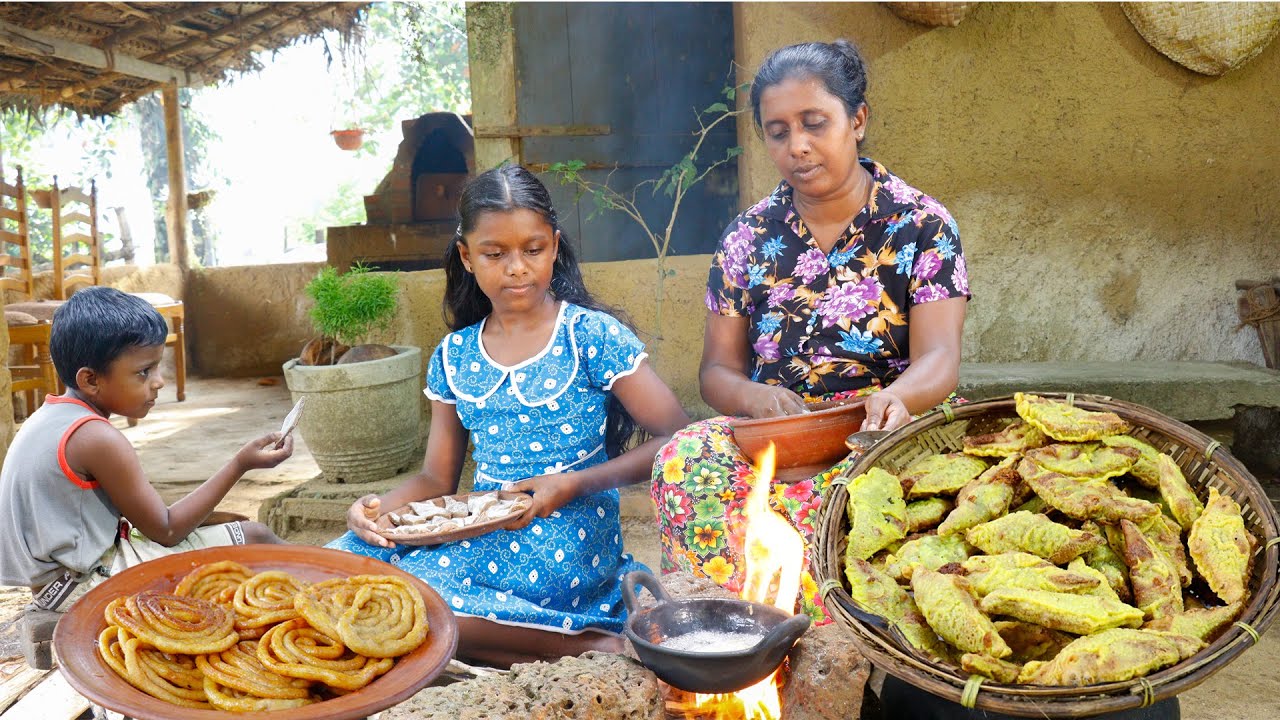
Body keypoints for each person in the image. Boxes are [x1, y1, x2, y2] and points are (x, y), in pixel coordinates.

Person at [651, 39, 969, 623]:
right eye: (778, 132)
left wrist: (897, 399)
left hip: (883, 426)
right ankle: (733, 630)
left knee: (853, 497)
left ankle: (838, 635)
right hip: (781, 427)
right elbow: (716, 371)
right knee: (682, 460)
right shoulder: (747, 238)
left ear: (858, 120)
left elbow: (940, 359)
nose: (796, 145)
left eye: (814, 124)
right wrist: (755, 397)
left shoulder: (921, 224)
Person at [329, 164, 690, 667]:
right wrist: (372, 512)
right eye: (495, 254)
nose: (516, 267)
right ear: (467, 257)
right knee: (336, 566)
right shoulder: (454, 355)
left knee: (421, 602)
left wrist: (572, 483)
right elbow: (436, 478)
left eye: (533, 249)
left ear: (555, 247)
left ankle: (593, 646)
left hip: (568, 534)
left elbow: (679, 437)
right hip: (480, 529)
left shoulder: (589, 335)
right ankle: (503, 634)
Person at [0, 287, 292, 666]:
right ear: (91, 380)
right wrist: (239, 464)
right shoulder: (97, 438)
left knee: (230, 522)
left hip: (57, 581)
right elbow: (166, 530)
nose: (159, 381)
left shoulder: (53, 416)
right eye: (143, 372)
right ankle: (322, 605)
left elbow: (146, 517)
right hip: (82, 585)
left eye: (157, 367)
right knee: (256, 538)